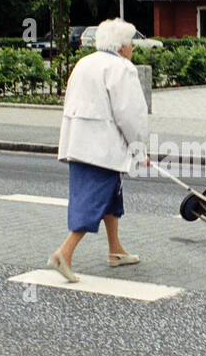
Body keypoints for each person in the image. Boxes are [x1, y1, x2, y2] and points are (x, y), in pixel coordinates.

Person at [47, 18, 149, 282]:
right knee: (95, 198)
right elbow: (130, 114)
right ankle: (64, 253)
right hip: (103, 148)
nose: (132, 50)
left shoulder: (85, 63)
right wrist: (140, 149)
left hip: (78, 142)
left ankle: (115, 250)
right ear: (122, 46)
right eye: (131, 44)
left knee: (109, 195)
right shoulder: (122, 68)